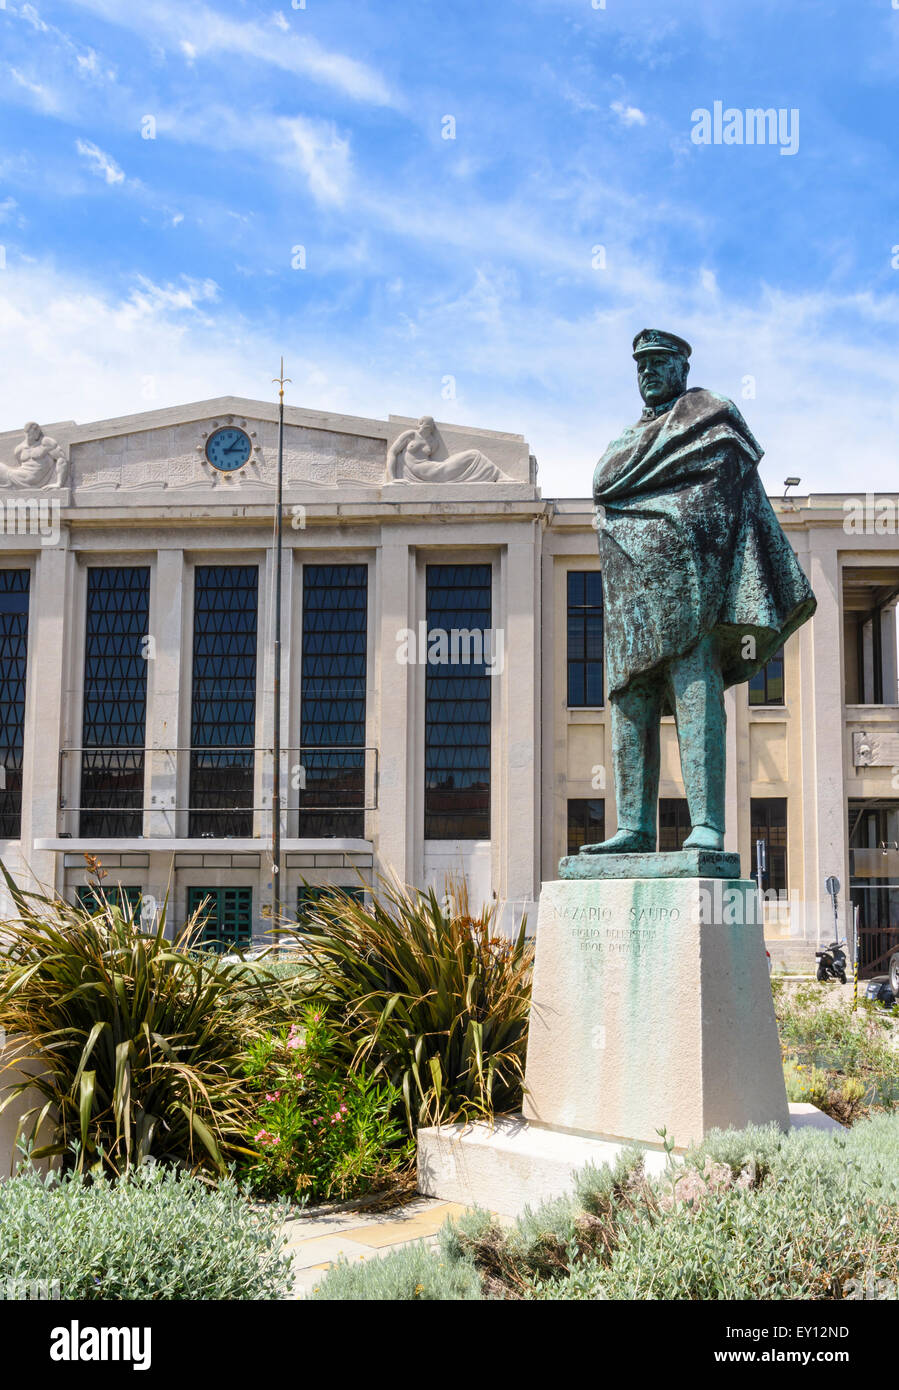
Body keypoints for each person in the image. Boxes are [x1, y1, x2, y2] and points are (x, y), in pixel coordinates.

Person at [584, 329, 816, 855]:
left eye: (659, 362)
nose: (647, 371)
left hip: (694, 592)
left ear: (682, 370)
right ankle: (634, 827)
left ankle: (707, 824)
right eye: (640, 363)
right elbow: (604, 485)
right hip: (632, 599)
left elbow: (732, 497)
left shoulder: (707, 419)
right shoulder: (625, 441)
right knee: (630, 704)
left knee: (696, 699)